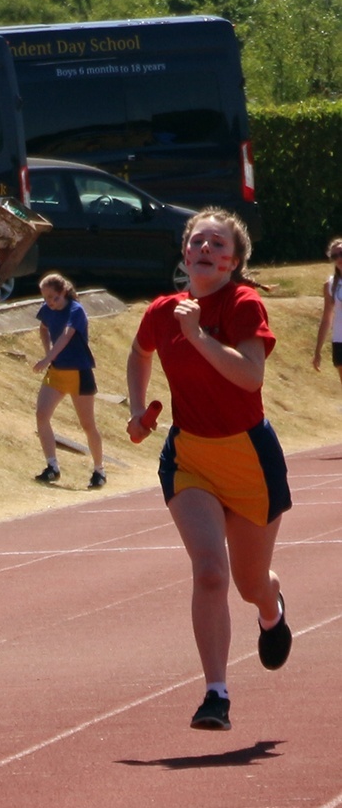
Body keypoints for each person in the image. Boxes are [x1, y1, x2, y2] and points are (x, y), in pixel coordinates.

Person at [126, 209, 291, 732]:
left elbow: (248, 378)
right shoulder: (162, 310)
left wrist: (197, 335)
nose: (205, 249)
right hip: (191, 458)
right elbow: (139, 352)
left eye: (218, 244)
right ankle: (215, 693)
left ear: (234, 261)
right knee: (210, 572)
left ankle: (273, 611)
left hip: (249, 461)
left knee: (248, 583)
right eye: (197, 241)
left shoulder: (244, 304)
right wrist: (136, 409)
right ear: (184, 253)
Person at [31, 273, 106, 489]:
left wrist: (47, 358)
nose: (50, 303)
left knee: (87, 424)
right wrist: (48, 352)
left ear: (63, 292)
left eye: (53, 298)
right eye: (45, 299)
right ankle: (52, 466)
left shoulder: (76, 310)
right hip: (57, 372)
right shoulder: (47, 310)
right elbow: (43, 328)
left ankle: (99, 470)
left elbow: (66, 335)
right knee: (41, 415)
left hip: (79, 372)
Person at [311, 237, 342, 390]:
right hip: (339, 340)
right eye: (335, 256)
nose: (339, 259)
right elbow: (326, 319)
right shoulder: (330, 285)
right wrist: (317, 351)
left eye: (341, 253)